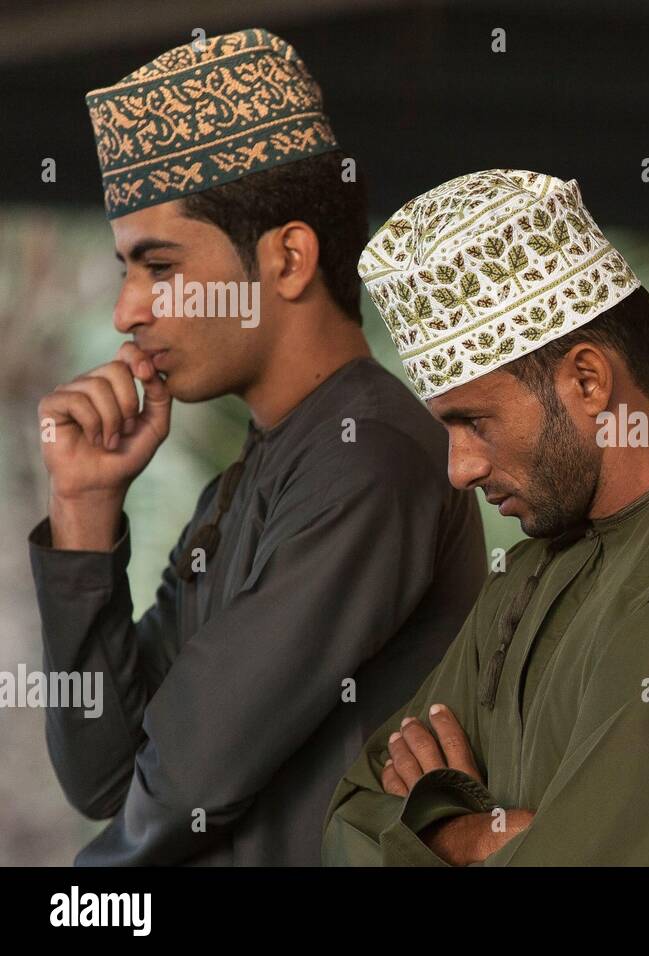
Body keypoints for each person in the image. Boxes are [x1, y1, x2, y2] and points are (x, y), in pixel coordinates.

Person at [29, 27, 485, 865]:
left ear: (286, 258)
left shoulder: (368, 459)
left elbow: (183, 791)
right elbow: (103, 778)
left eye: (158, 266)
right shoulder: (257, 474)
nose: (128, 310)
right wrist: (84, 510)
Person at [323, 169, 649, 865]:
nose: (460, 468)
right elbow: (350, 816)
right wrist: (482, 835)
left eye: (474, 421)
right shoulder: (532, 567)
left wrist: (441, 824)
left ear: (588, 380)